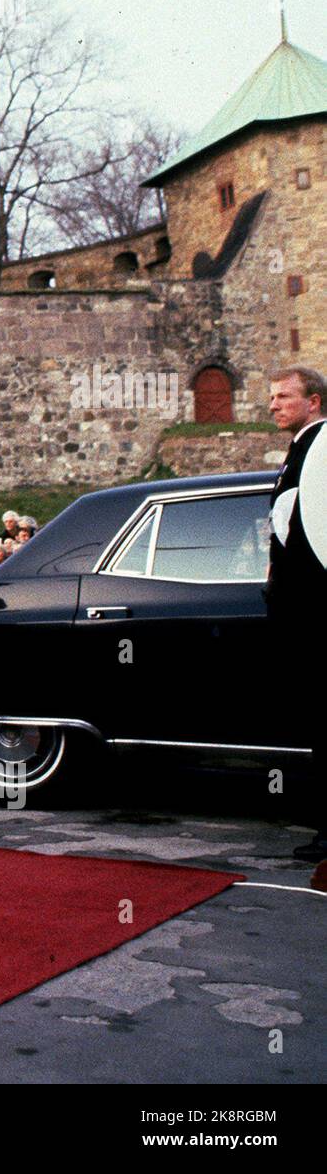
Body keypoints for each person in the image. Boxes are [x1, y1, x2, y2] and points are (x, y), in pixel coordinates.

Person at [266, 365, 327, 863]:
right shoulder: (302, 449)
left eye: (284, 395)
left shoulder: (321, 448)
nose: (272, 404)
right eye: (271, 396)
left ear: (314, 401)